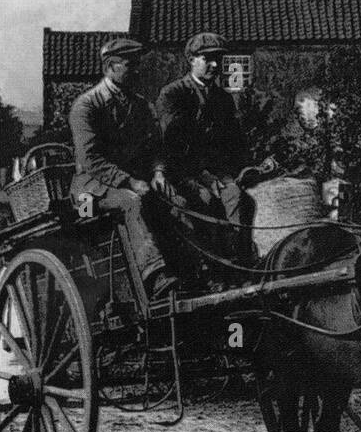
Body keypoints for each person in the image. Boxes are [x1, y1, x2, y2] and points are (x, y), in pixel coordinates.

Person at [68, 37, 180, 305]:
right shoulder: (86, 106)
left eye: (138, 64)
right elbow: (91, 159)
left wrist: (158, 173)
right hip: (89, 190)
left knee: (178, 202)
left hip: (133, 182)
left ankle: (191, 270)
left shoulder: (140, 105)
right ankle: (155, 276)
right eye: (131, 65)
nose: (138, 70)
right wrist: (129, 181)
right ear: (110, 67)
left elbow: (155, 147)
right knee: (132, 202)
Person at [155, 33, 254, 264]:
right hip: (179, 173)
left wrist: (239, 171)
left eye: (219, 59)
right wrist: (203, 175)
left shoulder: (223, 99)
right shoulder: (173, 94)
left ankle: (240, 264)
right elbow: (173, 146)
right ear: (191, 60)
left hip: (213, 174)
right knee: (204, 200)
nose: (215, 65)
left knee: (237, 197)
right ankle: (210, 268)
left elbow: (230, 144)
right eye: (207, 58)